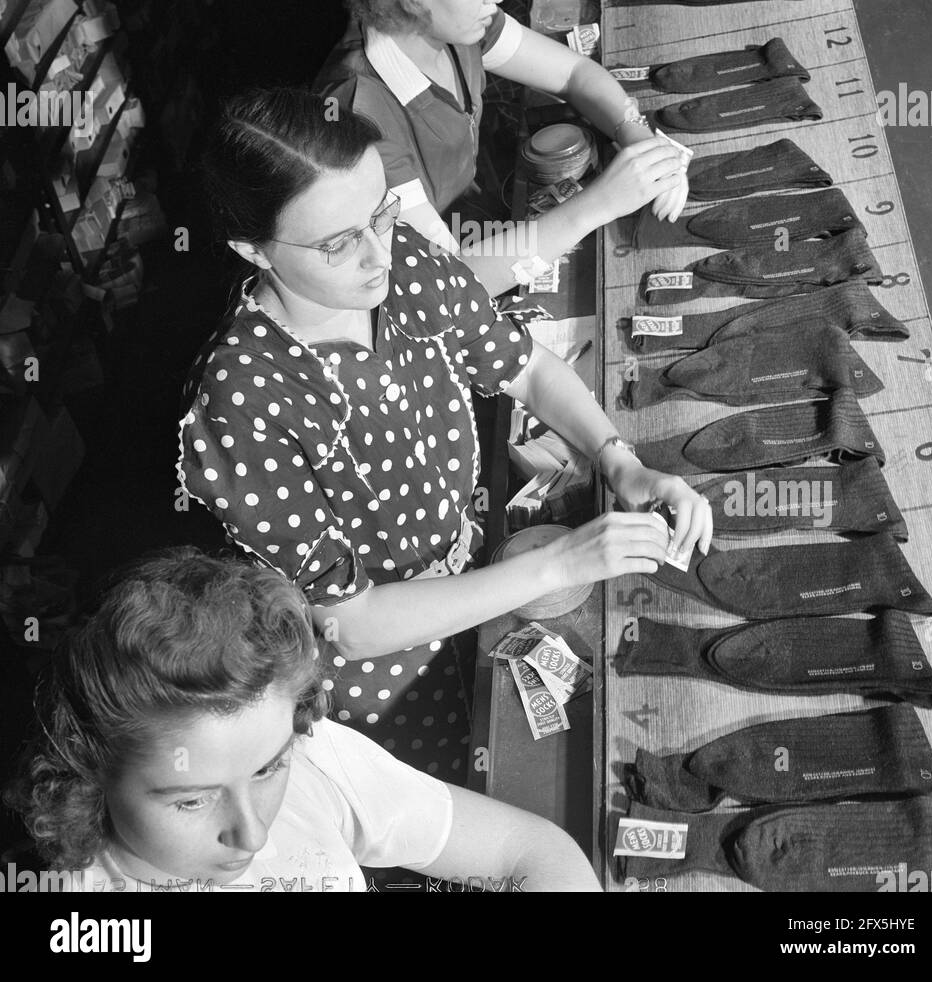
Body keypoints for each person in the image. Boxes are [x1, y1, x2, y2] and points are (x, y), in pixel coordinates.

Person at [177, 91, 713, 774]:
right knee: (464, 786)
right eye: (338, 243)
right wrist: (557, 566)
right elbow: (357, 622)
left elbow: (524, 367)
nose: (377, 256)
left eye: (380, 213)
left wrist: (620, 462)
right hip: (391, 672)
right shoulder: (241, 402)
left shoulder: (402, 266)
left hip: (481, 568)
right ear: (251, 250)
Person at [5, 548, 601, 891]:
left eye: (268, 769)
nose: (254, 834)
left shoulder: (315, 760)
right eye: (190, 801)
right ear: (91, 775)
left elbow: (529, 850)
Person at [321, 0, 689, 296]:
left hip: (473, 223)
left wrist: (638, 138)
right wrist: (600, 204)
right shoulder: (360, 116)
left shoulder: (452, 22)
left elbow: (574, 73)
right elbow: (447, 286)